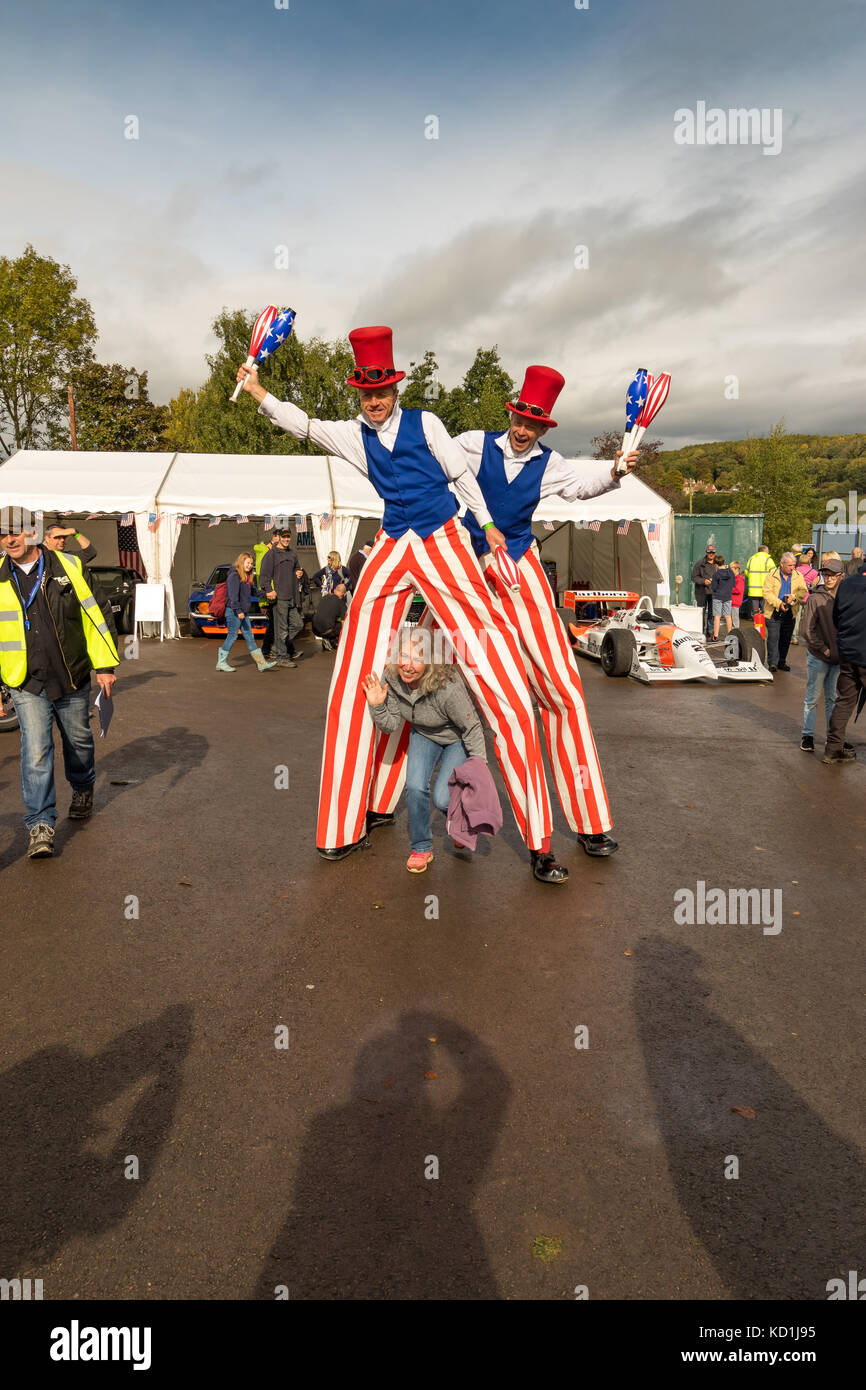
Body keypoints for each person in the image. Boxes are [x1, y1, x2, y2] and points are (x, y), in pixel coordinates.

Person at [238, 323, 566, 883]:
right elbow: (306, 427)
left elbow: (462, 477)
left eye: (381, 392)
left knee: (504, 677)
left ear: (395, 388)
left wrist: (486, 525)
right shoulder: (353, 432)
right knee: (354, 673)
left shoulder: (426, 423)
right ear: (360, 394)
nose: (373, 402)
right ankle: (341, 829)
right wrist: (259, 391)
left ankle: (539, 843)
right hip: (392, 542)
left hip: (442, 539)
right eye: (366, 394)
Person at [444, 364, 641, 857]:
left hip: (519, 564)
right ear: (511, 413)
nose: (522, 427)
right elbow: (429, 459)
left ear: (543, 426)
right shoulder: (471, 443)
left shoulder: (549, 464)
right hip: (467, 568)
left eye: (533, 422)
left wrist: (616, 469)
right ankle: (380, 800)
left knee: (563, 692)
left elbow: (582, 486)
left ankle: (589, 821)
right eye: (519, 416)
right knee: (422, 673)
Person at [0, 511, 119, 859]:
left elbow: (97, 613)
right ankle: (40, 824)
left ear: (32, 533)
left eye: (16, 532)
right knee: (35, 751)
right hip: (26, 681)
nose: (9, 540)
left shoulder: (69, 566)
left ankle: (83, 786)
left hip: (71, 675)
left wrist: (105, 665)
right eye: (2, 534)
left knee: (78, 741)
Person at [363, 633, 489, 873]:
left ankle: (460, 823)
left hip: (456, 737)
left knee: (442, 798)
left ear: (430, 662)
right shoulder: (393, 677)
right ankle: (421, 847)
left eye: (417, 658)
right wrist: (377, 704)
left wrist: (479, 771)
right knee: (415, 786)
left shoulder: (447, 686)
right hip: (423, 733)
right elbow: (389, 725)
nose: (407, 665)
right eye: (403, 655)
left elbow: (471, 727)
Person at [822, 562, 866, 764]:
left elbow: (836, 617)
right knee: (845, 700)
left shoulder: (847, 584)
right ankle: (833, 748)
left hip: (848, 652)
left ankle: (833, 749)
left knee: (845, 700)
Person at [800, 559, 844, 752]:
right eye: (825, 574)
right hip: (819, 657)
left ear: (841, 576)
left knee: (833, 698)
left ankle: (831, 738)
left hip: (839, 658)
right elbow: (806, 629)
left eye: (832, 575)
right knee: (812, 698)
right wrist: (824, 648)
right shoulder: (815, 598)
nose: (828, 578)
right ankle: (807, 735)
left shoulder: (846, 597)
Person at [216, 553, 277, 673]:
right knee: (232, 636)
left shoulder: (246, 576)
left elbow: (253, 591)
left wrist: (266, 594)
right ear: (241, 562)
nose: (250, 566)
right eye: (247, 563)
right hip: (234, 611)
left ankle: (261, 663)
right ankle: (221, 662)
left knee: (249, 637)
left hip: (242, 612)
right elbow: (233, 597)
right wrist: (239, 611)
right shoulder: (234, 576)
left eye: (251, 564)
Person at [258, 529, 306, 669]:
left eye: (288, 537)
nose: (286, 539)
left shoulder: (292, 553)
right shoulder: (271, 554)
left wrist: (299, 573)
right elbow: (264, 576)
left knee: (298, 624)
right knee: (282, 629)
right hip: (279, 597)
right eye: (283, 536)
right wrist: (269, 590)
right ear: (278, 537)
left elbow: (298, 570)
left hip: (292, 596)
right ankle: (282, 657)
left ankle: (276, 647)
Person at [762, 551, 808, 672]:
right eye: (790, 565)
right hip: (773, 612)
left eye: (794, 565)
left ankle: (782, 661)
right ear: (782, 564)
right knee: (773, 637)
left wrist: (793, 597)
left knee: (786, 638)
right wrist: (779, 603)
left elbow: (803, 591)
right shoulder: (771, 575)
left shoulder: (798, 576)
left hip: (790, 612)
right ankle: (773, 663)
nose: (793, 568)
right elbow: (766, 592)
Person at [254, 534, 278, 659]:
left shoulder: (270, 552)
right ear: (274, 538)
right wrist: (262, 602)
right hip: (268, 596)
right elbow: (261, 579)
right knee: (273, 625)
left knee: (275, 624)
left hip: (272, 595)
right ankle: (266, 650)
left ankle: (268, 650)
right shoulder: (264, 553)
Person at [792, 547, 818, 645]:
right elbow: (815, 585)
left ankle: (794, 637)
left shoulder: (795, 571)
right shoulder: (814, 572)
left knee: (797, 617)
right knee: (808, 618)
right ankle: (809, 638)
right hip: (808, 597)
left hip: (797, 597)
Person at [313, 582, 348, 650]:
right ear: (345, 594)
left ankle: (328, 639)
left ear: (334, 590)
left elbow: (318, 611)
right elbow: (344, 623)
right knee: (346, 625)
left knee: (331, 621)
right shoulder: (342, 604)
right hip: (326, 631)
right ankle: (331, 640)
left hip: (314, 630)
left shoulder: (325, 597)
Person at [691, 544, 717, 636]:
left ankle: (710, 631)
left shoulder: (717, 563)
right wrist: (703, 581)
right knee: (701, 612)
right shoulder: (700, 563)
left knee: (712, 613)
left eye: (713, 552)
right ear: (706, 552)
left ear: (715, 553)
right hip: (702, 592)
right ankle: (700, 631)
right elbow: (694, 577)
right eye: (709, 552)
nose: (711, 554)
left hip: (714, 593)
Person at [744, 544, 774, 619]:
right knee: (764, 611)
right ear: (765, 551)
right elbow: (774, 573)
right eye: (768, 550)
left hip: (753, 590)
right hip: (765, 589)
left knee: (755, 611)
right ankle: (763, 627)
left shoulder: (751, 560)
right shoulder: (768, 560)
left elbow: (746, 572)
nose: (769, 552)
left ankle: (756, 626)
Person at [710, 554, 735, 639]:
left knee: (717, 617)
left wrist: (712, 582)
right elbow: (733, 584)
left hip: (718, 597)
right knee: (728, 616)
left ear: (716, 565)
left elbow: (713, 587)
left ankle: (716, 636)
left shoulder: (716, 574)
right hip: (728, 597)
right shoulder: (731, 572)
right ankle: (730, 635)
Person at [730, 561, 745, 628]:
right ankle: (732, 634)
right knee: (731, 620)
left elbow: (738, 590)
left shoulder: (739, 579)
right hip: (732, 602)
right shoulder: (734, 578)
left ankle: (736, 634)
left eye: (731, 569)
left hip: (735, 602)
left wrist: (729, 589)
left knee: (735, 620)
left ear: (737, 569)